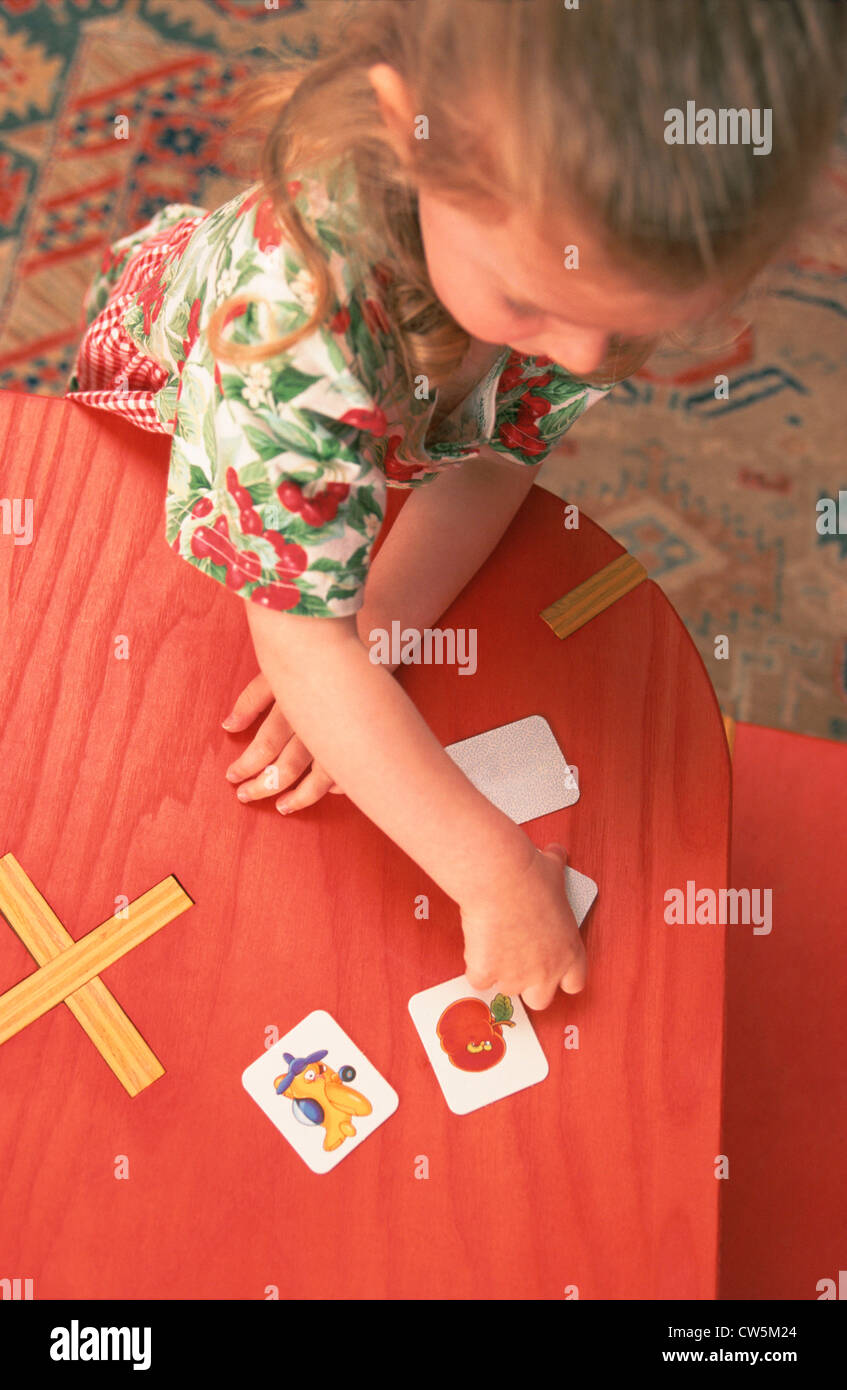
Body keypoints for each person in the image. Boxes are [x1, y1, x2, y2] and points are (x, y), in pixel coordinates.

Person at [64, 0, 847, 1010]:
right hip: (152, 413)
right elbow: (298, 643)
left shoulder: (554, 263)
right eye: (533, 305)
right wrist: (493, 873)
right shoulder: (288, 323)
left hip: (371, 440)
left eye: (617, 325)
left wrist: (383, 618)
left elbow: (496, 454)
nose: (574, 358)